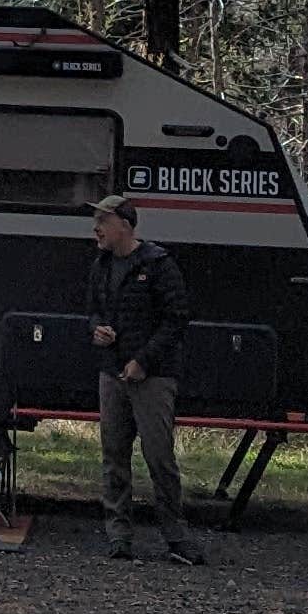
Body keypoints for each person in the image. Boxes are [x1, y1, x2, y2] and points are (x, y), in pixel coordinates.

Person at [87, 195, 201, 564]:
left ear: (124, 224)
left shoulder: (158, 264)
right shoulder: (101, 266)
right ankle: (118, 534)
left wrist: (143, 361)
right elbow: (92, 310)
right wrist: (97, 330)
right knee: (113, 456)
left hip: (153, 377)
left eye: (103, 221)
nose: (96, 229)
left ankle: (175, 535)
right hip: (112, 372)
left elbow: (177, 319)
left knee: (158, 457)